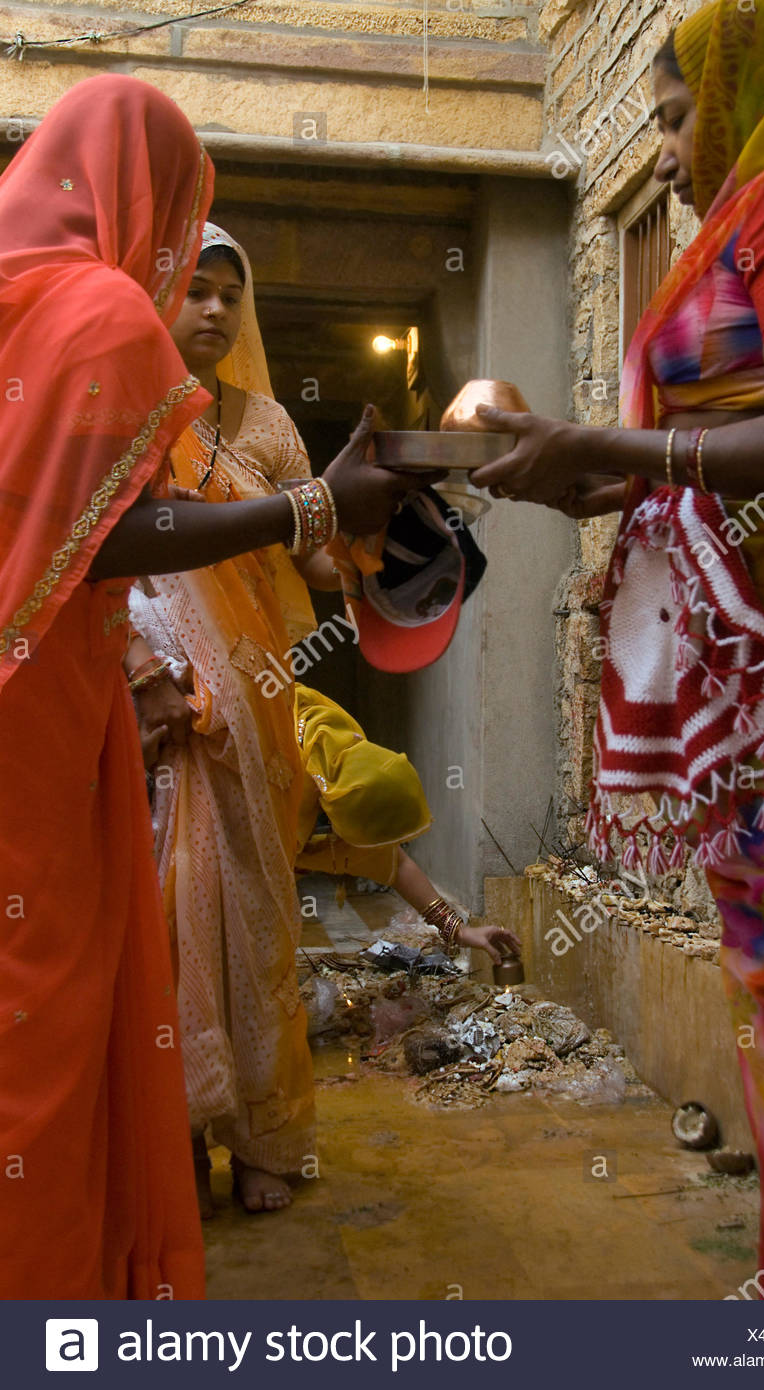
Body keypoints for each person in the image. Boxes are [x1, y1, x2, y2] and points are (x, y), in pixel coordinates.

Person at [469, 0, 764, 1299]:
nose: (672, 151)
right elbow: (690, 451)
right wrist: (558, 470)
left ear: (745, 95)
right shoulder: (736, 223)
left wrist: (616, 455)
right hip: (747, 678)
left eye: (677, 118)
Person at [0, 77, 423, 1299]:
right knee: (50, 1004)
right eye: (189, 230)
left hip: (126, 693)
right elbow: (119, 532)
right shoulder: (101, 315)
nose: (193, 273)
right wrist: (318, 502)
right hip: (56, 713)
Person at [128, 225, 518, 1217]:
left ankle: (265, 1135)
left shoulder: (264, 429)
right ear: (155, 295)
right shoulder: (125, 416)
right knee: (164, 926)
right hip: (155, 707)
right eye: (195, 290)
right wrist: (139, 670)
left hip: (258, 701)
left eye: (230, 293)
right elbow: (97, 564)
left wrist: (393, 537)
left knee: (258, 924)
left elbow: (312, 552)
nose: (214, 309)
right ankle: (171, 1133)